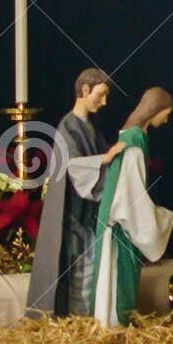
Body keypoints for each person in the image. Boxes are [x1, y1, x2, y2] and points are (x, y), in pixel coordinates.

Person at [26, 69, 126, 317]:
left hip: (87, 214)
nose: (104, 102)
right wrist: (106, 157)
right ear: (84, 90)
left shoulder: (88, 127)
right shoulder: (67, 127)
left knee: (88, 267)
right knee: (76, 268)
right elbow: (73, 165)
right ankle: (76, 316)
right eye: (101, 95)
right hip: (72, 213)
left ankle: (88, 315)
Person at [78, 87, 173, 328]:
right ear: (155, 110)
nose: (167, 119)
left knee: (125, 278)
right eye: (166, 113)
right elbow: (131, 198)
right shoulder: (133, 143)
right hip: (120, 223)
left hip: (120, 220)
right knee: (118, 280)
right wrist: (164, 219)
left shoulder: (133, 137)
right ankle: (114, 325)